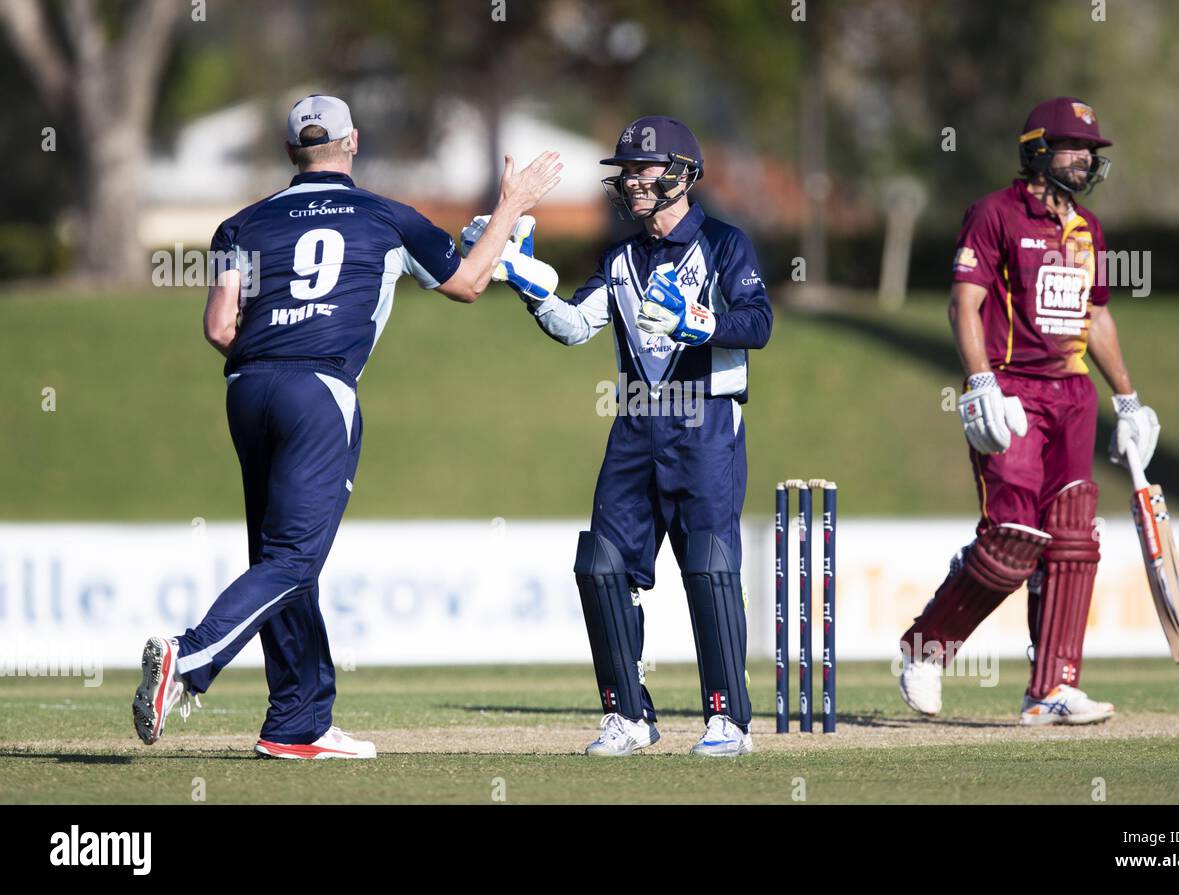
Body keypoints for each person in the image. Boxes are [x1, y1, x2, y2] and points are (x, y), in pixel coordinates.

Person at [132, 94, 561, 758]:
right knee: (294, 559)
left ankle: (295, 722)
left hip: (247, 387)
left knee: (280, 560)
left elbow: (219, 327)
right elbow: (472, 281)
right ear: (352, 142)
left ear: (288, 153)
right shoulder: (387, 217)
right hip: (320, 391)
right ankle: (187, 659)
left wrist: (271, 352)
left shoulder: (241, 223)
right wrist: (512, 203)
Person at [463, 116, 772, 756]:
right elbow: (577, 325)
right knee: (601, 563)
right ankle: (629, 715)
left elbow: (759, 322)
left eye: (644, 170)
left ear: (681, 174)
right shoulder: (621, 257)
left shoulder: (723, 242)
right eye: (626, 171)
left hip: (705, 419)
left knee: (709, 564)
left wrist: (698, 321)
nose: (631, 182)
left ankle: (728, 719)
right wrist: (527, 284)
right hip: (634, 420)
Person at [897, 97, 1159, 725]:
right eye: (1076, 148)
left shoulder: (1086, 229)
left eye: (1092, 151)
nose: (1087, 160)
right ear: (1038, 150)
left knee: (1073, 541)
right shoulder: (994, 214)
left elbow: (1096, 316)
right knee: (1012, 539)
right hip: (1012, 391)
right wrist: (979, 384)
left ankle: (1052, 689)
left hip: (1072, 394)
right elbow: (965, 304)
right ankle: (926, 649)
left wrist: (1127, 399)